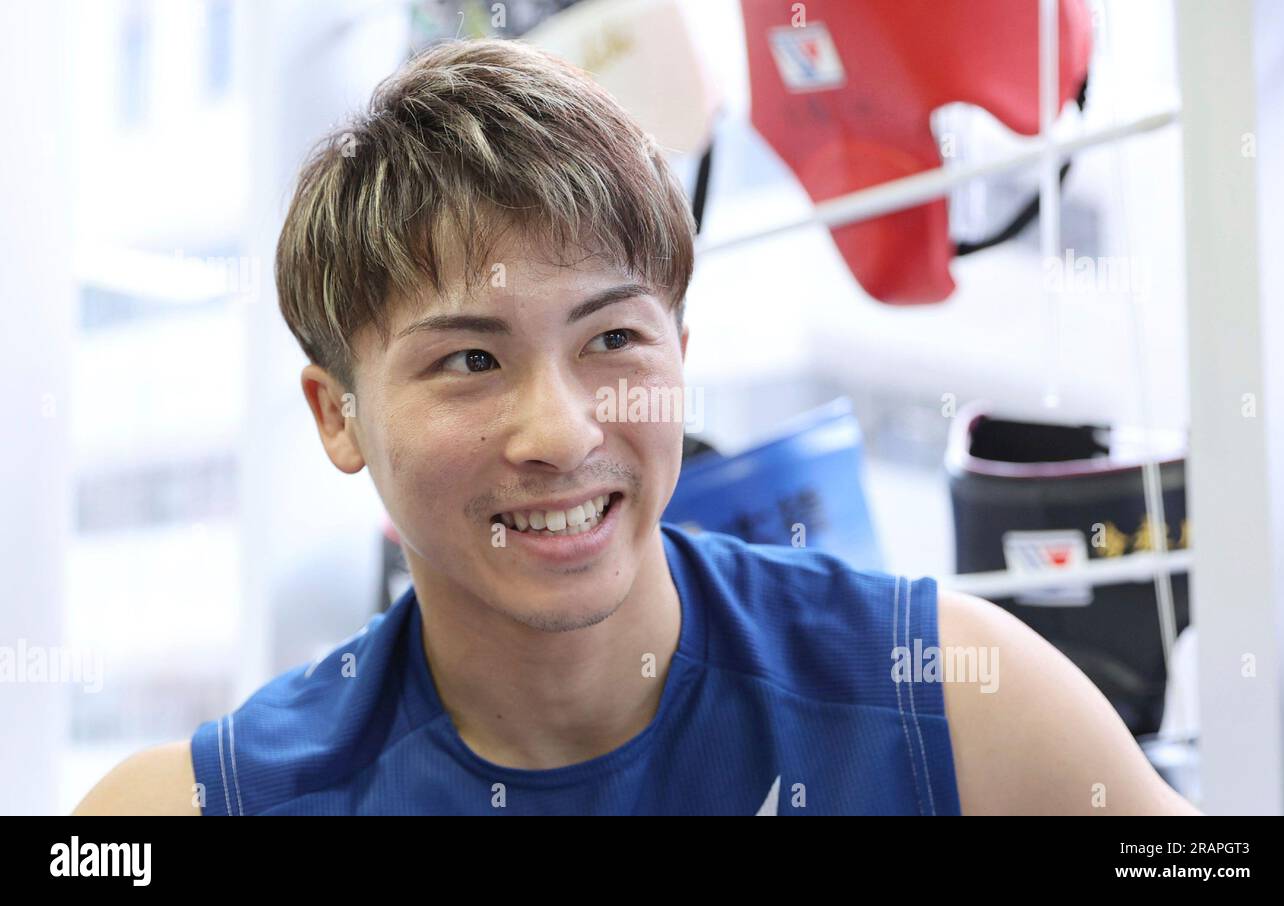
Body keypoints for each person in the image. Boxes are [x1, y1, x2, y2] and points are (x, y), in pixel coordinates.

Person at [74, 38, 1198, 816]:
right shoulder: (190, 808)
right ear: (338, 414)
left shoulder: (950, 698)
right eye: (469, 360)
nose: (560, 433)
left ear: (680, 361)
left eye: (613, 341)